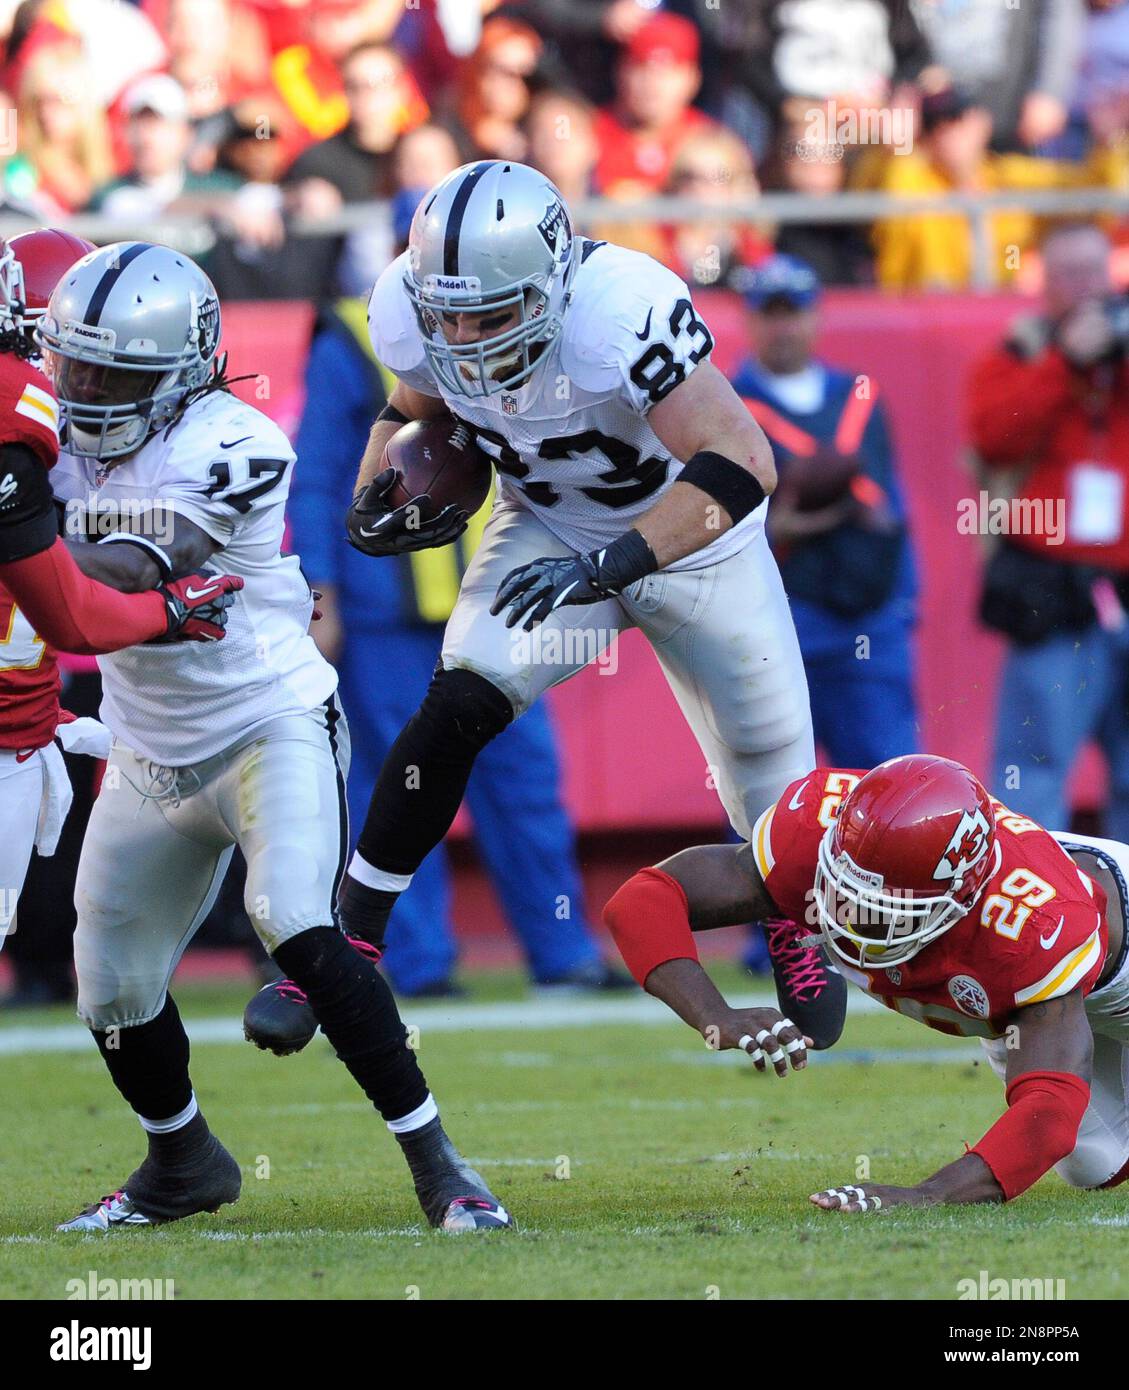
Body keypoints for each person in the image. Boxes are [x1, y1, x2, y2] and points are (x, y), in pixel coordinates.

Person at [245, 158, 838, 1057]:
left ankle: (790, 916)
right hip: (550, 525)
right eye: (448, 314)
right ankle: (345, 941)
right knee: (458, 701)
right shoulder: (411, 310)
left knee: (768, 772)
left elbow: (742, 461)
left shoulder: (619, 311)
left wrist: (617, 563)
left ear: (554, 283)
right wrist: (382, 483)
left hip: (693, 536)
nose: (466, 335)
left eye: (489, 313)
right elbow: (409, 405)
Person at [41, 241, 509, 1233]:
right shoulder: (47, 438)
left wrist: (17, 525)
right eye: (75, 367)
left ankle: (441, 1166)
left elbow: (128, 569)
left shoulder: (234, 438)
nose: (87, 392)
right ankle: (183, 1165)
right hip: (146, 750)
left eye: (113, 373)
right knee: (110, 984)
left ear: (180, 369)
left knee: (294, 919)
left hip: (268, 724)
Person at [286, 289, 628, 996]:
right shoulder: (352, 335)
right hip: (388, 606)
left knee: (525, 780)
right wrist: (322, 589)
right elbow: (317, 471)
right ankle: (412, 962)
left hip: (495, 594)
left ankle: (561, 952)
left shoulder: (526, 326)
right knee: (399, 785)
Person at [604, 754, 1129, 1208]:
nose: (845, 915)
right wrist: (715, 1014)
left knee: (1063, 1138)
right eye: (839, 887)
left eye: (882, 911)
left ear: (958, 904)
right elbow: (643, 900)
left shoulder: (1031, 928)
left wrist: (928, 1194)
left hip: (1111, 969)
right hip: (1010, 970)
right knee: (1097, 1167)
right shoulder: (818, 829)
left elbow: (1050, 1108)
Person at [0, 227, 244, 975]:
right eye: (70, 360)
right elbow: (70, 612)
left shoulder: (151, 452)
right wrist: (173, 610)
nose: (85, 384)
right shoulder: (21, 408)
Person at [969, 222, 1129, 840]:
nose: (1088, 289)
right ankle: (1035, 917)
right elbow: (994, 435)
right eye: (1070, 276)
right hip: (1053, 592)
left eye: (1097, 272)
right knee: (1032, 771)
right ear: (1046, 285)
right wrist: (1065, 363)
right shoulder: (1018, 355)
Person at [731, 255, 919, 768]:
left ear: (817, 316)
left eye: (794, 311)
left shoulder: (861, 397)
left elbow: (893, 502)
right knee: (768, 792)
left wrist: (904, 602)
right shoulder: (726, 406)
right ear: (749, 321)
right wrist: (771, 532)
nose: (783, 327)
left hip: (868, 617)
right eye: (770, 313)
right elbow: (705, 525)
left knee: (889, 784)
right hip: (779, 617)